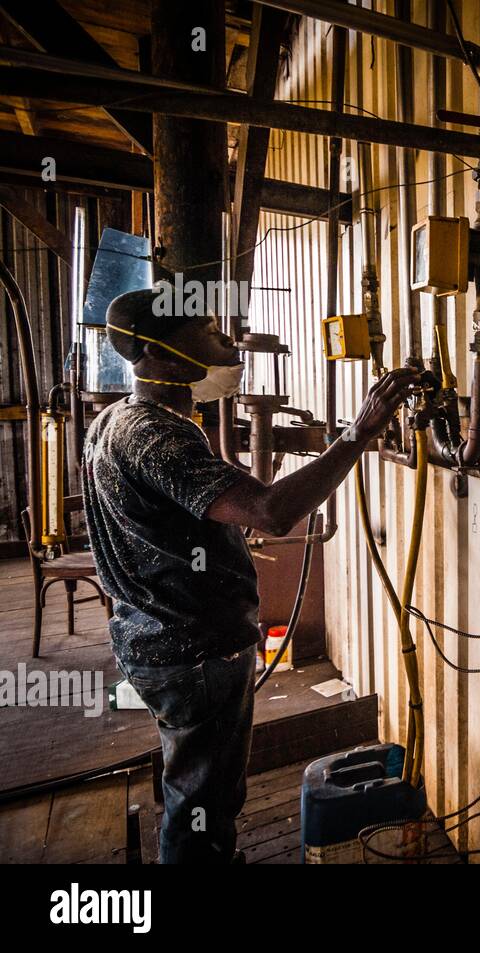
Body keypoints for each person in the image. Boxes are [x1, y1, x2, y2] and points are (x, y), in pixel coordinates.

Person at [82, 285, 419, 863]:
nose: (223, 341)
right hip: (193, 651)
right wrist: (358, 433)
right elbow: (270, 510)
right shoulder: (155, 436)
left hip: (154, 640)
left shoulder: (118, 420)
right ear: (161, 353)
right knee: (202, 807)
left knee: (196, 791)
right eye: (206, 332)